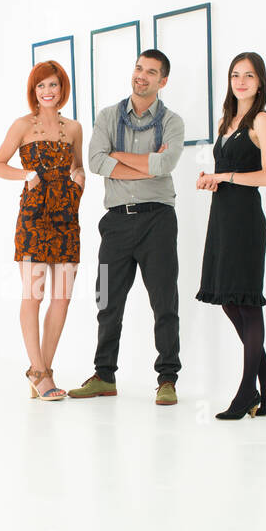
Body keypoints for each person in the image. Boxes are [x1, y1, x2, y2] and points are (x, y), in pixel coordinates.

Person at [68, 50, 185, 405]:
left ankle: (167, 379)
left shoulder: (172, 122)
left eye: (151, 72)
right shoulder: (107, 116)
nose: (141, 76)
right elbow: (95, 161)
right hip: (115, 222)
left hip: (158, 220)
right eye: (138, 68)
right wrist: (148, 166)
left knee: (164, 301)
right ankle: (104, 375)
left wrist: (119, 156)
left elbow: (165, 163)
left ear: (162, 81)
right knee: (106, 298)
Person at [195, 51, 266, 420]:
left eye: (249, 75)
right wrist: (210, 180)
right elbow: (226, 170)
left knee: (246, 302)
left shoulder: (261, 120)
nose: (241, 81)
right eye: (235, 75)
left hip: (246, 222)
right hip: (222, 220)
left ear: (260, 82)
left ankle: (248, 390)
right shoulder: (226, 121)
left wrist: (226, 177)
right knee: (229, 300)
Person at [0, 60, 85, 400]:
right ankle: (38, 371)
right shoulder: (22, 125)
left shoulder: (73, 128)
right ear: (33, 90)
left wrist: (78, 184)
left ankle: (44, 369)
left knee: (62, 297)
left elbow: (79, 167)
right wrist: (25, 176)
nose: (48, 91)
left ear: (63, 89)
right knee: (34, 294)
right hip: (33, 217)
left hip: (66, 218)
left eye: (53, 85)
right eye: (41, 85)